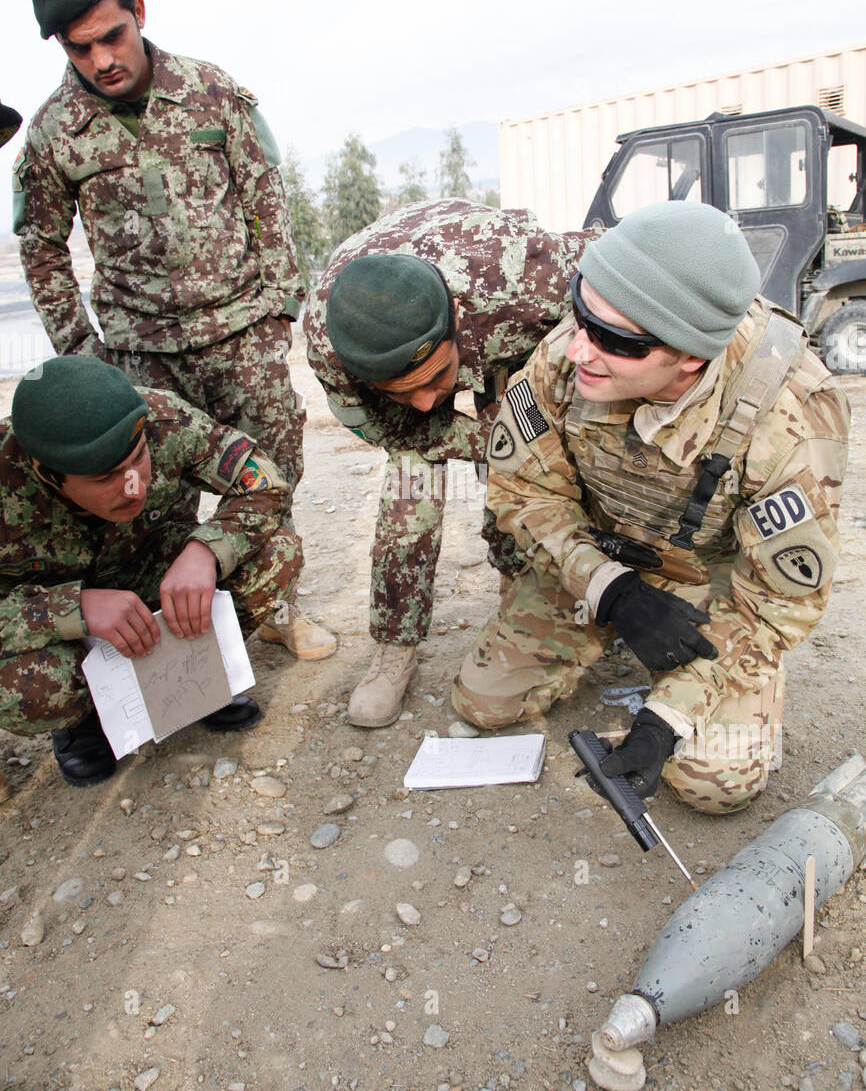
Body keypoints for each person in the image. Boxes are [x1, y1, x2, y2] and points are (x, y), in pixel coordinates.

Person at [452, 201, 850, 814]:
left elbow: (776, 601)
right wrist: (610, 589)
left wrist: (668, 715)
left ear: (690, 356)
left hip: (714, 588)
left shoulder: (791, 412)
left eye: (614, 339)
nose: (579, 349)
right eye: (581, 312)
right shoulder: (569, 354)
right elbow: (525, 492)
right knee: (482, 702)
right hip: (598, 560)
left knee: (714, 783)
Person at [14, 0, 334, 662]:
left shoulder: (213, 90)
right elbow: (40, 246)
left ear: (140, 11)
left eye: (112, 36)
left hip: (241, 334)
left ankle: (275, 608)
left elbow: (265, 198)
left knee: (268, 477)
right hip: (139, 353)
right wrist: (85, 355)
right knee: (151, 507)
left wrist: (280, 308)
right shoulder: (54, 133)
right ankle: (178, 650)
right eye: (79, 48)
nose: (102, 60)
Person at [305, 197, 597, 726]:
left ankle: (525, 586)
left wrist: (520, 434)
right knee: (411, 470)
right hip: (427, 299)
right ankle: (396, 648)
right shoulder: (332, 341)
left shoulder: (529, 276)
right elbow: (389, 427)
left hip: (498, 320)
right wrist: (480, 437)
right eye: (400, 389)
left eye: (435, 380)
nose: (424, 400)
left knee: (525, 451)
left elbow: (617, 258)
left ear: (457, 319)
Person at [0, 356, 302, 787]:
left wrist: (206, 551)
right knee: (25, 688)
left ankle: (195, 681)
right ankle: (83, 720)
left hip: (152, 575)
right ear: (50, 476)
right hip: (54, 626)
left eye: (138, 460)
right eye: (106, 477)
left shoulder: (159, 417)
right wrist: (71, 609)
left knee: (277, 552)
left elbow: (265, 481)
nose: (133, 486)